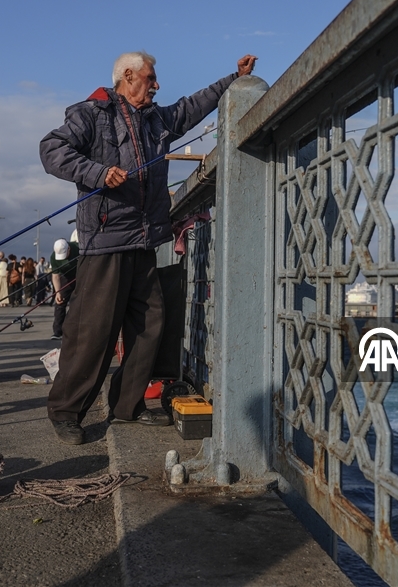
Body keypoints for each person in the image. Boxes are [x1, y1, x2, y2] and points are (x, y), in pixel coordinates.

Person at [39, 51, 257, 445]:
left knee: (150, 323)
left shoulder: (156, 118)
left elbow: (192, 107)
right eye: (150, 78)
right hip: (105, 242)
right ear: (128, 76)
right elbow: (52, 149)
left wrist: (232, 78)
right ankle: (66, 412)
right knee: (94, 332)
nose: (156, 85)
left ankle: (127, 405)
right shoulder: (92, 113)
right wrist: (98, 173)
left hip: (143, 241)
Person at [49, 238, 78, 341]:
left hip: (81, 275)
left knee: (78, 302)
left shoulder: (77, 247)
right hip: (65, 277)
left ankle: (76, 329)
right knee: (60, 303)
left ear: (68, 248)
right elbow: (55, 276)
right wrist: (58, 292)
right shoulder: (53, 257)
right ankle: (57, 331)